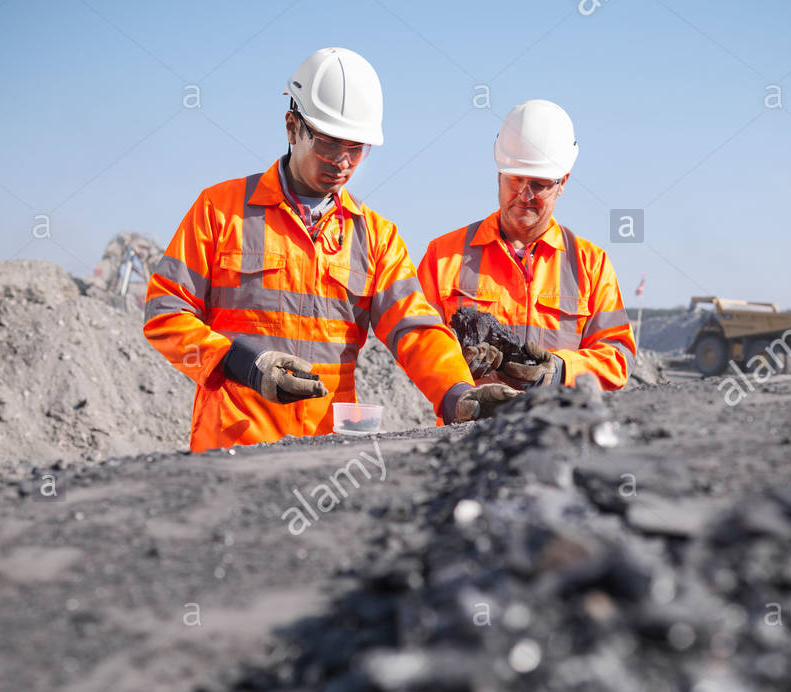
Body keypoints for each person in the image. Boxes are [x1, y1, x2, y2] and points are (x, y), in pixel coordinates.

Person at [143, 47, 516, 449]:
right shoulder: (221, 210)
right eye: (329, 143)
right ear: (292, 127)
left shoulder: (374, 236)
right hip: (232, 449)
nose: (342, 161)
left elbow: (416, 330)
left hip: (324, 457)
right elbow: (165, 314)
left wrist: (457, 393)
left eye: (356, 148)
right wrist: (243, 363)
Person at [417, 100, 635, 392]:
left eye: (539, 183)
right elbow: (416, 343)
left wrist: (560, 371)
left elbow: (619, 356)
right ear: (498, 174)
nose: (524, 194)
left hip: (557, 431)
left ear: (562, 183)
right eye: (516, 179)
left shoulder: (590, 265)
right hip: (470, 432)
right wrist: (455, 365)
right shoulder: (443, 256)